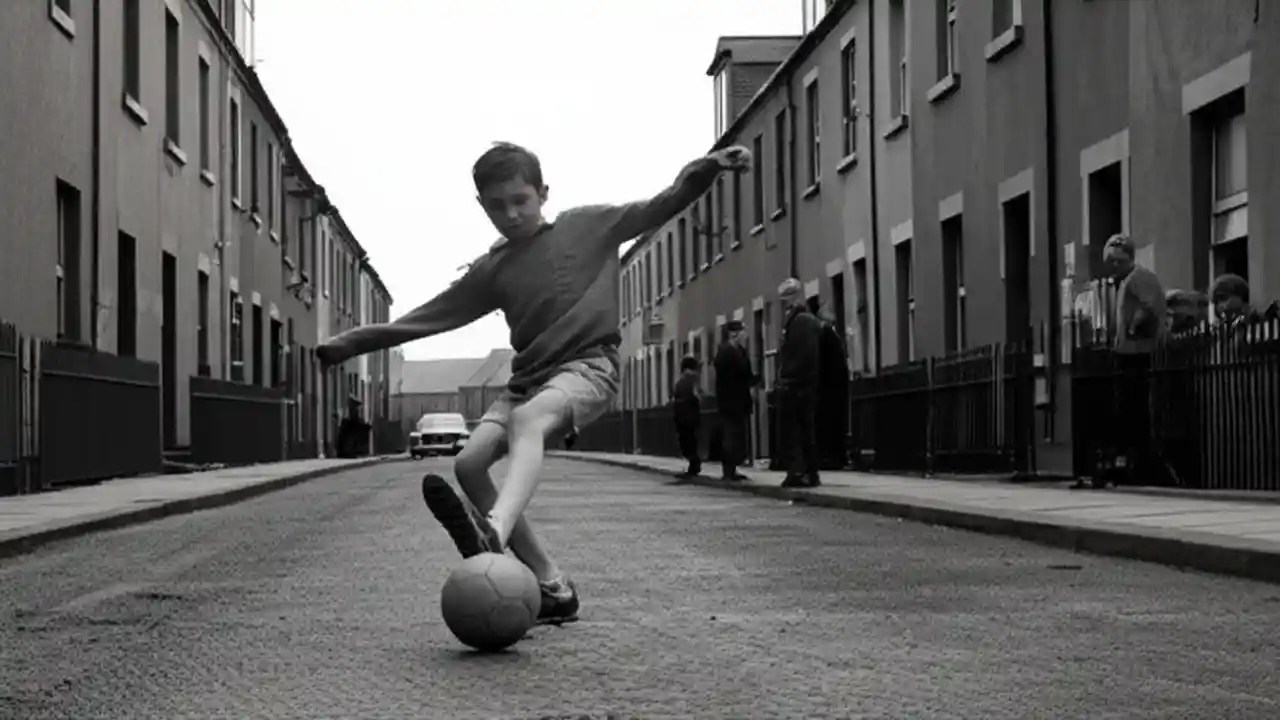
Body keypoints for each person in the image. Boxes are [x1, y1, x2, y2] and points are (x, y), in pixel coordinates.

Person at [315, 141, 752, 624]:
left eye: (521, 201)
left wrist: (709, 168)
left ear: (543, 193)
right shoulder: (493, 268)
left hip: (589, 368)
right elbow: (431, 317)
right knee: (469, 463)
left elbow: (662, 204)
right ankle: (553, 585)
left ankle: (495, 531)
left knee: (528, 421)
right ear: (482, 206)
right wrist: (350, 343)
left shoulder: (589, 225)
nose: (511, 215)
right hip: (527, 381)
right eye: (497, 206)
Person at [1103, 233, 1166, 487]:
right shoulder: (1126, 280)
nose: (1114, 266)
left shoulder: (1141, 278)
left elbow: (1149, 307)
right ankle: (1127, 462)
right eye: (1111, 261)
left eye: (1118, 261)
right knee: (1126, 411)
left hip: (1139, 352)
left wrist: (1132, 328)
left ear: (1130, 257)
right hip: (1128, 352)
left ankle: (1140, 465)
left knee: (1135, 410)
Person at [775, 279, 823, 487]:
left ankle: (800, 471)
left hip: (799, 386)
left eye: (787, 298)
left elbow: (802, 355)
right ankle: (807, 472)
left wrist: (789, 377)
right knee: (803, 431)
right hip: (801, 384)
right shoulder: (800, 320)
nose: (785, 303)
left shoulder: (801, 321)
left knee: (797, 431)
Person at [807, 298, 850, 471]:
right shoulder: (825, 334)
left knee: (834, 423)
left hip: (833, 388)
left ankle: (835, 456)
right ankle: (831, 458)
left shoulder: (828, 333)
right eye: (826, 309)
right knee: (830, 424)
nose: (830, 310)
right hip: (830, 389)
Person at [713, 321, 755, 481]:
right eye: (742, 331)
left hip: (739, 399)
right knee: (731, 434)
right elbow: (731, 377)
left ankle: (733, 467)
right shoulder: (725, 353)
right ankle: (729, 469)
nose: (744, 334)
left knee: (737, 435)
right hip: (730, 401)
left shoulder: (739, 351)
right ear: (734, 333)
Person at [671, 355, 703, 479]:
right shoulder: (693, 379)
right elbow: (698, 395)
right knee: (689, 440)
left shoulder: (685, 380)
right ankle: (693, 465)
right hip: (689, 414)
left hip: (683, 415)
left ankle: (694, 465)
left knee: (687, 440)